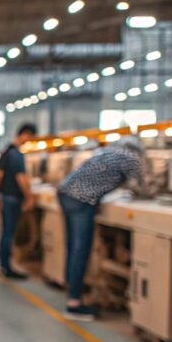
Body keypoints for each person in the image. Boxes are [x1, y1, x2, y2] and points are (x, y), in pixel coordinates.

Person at [57, 137, 144, 320]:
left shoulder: (105, 152)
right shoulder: (131, 158)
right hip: (82, 199)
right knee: (81, 250)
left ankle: (72, 290)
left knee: (72, 247)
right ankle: (74, 304)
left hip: (65, 193)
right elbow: (139, 187)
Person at [0, 123, 37, 279]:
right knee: (9, 232)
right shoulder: (16, 155)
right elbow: (21, 177)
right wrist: (29, 197)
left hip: (5, 196)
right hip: (12, 198)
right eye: (30, 138)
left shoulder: (6, 152)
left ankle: (4, 264)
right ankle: (6, 266)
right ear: (25, 134)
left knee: (6, 231)